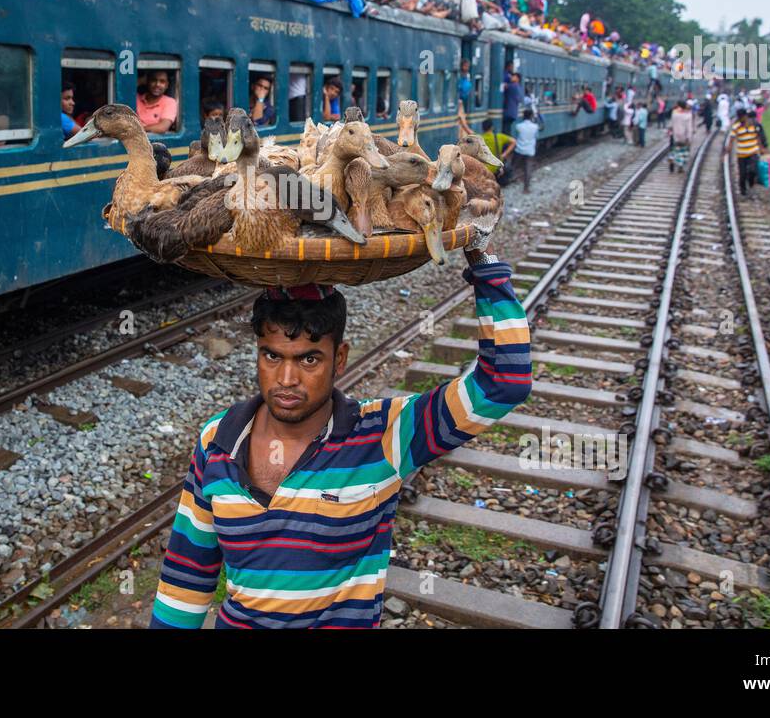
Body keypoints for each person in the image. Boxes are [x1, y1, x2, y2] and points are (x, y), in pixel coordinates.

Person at [148, 229, 532, 629]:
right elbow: (188, 573)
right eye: (272, 356)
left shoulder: (384, 435)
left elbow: (503, 383)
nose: (287, 379)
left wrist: (482, 258)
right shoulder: (218, 440)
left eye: (309, 360)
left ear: (340, 359)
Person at [725, 106, 768, 198]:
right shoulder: (736, 126)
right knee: (742, 173)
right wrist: (728, 150)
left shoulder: (753, 124)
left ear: (745, 116)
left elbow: (757, 137)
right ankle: (743, 190)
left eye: (742, 117)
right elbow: (732, 139)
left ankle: (751, 185)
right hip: (741, 154)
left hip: (753, 152)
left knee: (753, 170)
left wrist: (761, 148)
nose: (741, 119)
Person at [135, 70, 178, 134]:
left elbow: (162, 127)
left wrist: (137, 129)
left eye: (162, 81)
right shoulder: (136, 98)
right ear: (147, 82)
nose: (157, 84)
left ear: (167, 85)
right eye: (153, 80)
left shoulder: (170, 102)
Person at [512, 107, 538, 192]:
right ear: (531, 116)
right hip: (530, 150)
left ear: (523, 116)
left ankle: (510, 179)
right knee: (528, 168)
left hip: (519, 149)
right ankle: (526, 188)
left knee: (514, 166)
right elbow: (536, 137)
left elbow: (515, 137)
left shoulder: (518, 126)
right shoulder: (535, 127)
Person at [668, 98, 694, 174]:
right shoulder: (688, 116)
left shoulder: (674, 114)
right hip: (683, 137)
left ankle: (672, 160)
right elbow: (689, 128)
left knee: (673, 150)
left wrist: (669, 131)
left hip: (674, 136)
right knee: (683, 152)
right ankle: (680, 166)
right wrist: (689, 138)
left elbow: (670, 125)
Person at [501, 70, 524, 136]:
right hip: (513, 112)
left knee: (506, 131)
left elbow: (504, 86)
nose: (511, 77)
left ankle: (507, 144)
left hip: (508, 112)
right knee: (508, 130)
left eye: (513, 76)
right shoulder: (519, 87)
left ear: (517, 78)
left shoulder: (513, 86)